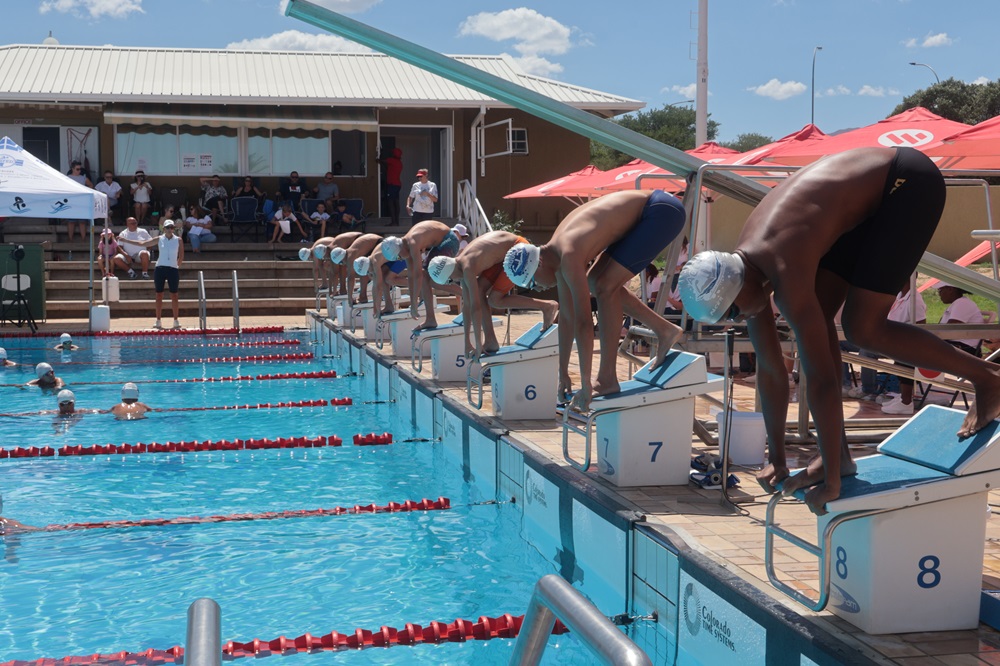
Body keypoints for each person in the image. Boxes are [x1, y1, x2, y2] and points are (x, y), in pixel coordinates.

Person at [677, 146, 1000, 516]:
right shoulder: (745, 275)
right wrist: (776, 458)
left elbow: (822, 380)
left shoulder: (783, 265)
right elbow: (769, 370)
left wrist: (831, 482)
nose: (736, 318)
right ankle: (841, 457)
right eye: (727, 316)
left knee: (863, 328)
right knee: (826, 315)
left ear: (737, 287)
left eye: (732, 310)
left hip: (905, 182)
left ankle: (988, 377)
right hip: (861, 203)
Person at [502, 189, 687, 412]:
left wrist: (586, 383)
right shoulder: (557, 256)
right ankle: (664, 330)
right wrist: (562, 374)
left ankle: (607, 379)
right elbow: (567, 319)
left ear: (538, 265)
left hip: (661, 211)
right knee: (597, 283)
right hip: (649, 212)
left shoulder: (568, 254)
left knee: (605, 286)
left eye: (532, 283)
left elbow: (583, 322)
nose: (538, 289)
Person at [429, 230, 559, 360]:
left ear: (450, 274)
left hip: (517, 250)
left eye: (450, 280)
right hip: (502, 255)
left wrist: (478, 344)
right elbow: (467, 306)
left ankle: (546, 306)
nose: (453, 282)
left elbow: (476, 308)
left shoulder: (467, 268)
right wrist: (467, 342)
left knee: (495, 300)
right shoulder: (460, 265)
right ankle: (491, 340)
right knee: (480, 291)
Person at [382, 220, 462, 330]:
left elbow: (418, 275)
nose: (400, 260)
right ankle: (431, 319)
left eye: (398, 257)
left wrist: (414, 304)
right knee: (427, 278)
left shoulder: (413, 243)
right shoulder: (405, 248)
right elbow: (411, 276)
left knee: (432, 279)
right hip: (440, 243)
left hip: (449, 240)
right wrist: (412, 302)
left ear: (400, 249)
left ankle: (468, 294)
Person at [876, 281, 928, 415]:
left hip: (907, 342)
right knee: (899, 363)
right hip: (894, 339)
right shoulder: (900, 296)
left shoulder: (914, 300)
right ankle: (903, 397)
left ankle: (906, 401)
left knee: (903, 362)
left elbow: (921, 324)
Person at [130, 219, 184, 329]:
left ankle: (176, 320)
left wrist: (177, 265)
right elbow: (143, 243)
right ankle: (158, 320)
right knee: (159, 295)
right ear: (164, 229)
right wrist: (125, 240)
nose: (170, 230)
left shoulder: (178, 240)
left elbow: (181, 255)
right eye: (168, 228)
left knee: (174, 295)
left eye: (172, 227)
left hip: (172, 269)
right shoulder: (160, 239)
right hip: (160, 268)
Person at [359, 241, 409, 315]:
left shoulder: (375, 263)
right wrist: (375, 308)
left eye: (367, 272)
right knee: (383, 276)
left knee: (389, 279)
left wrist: (377, 309)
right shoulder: (372, 260)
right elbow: (375, 286)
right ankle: (389, 306)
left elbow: (378, 288)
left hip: (403, 254)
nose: (369, 274)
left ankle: (418, 284)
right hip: (393, 255)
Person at [337, 233, 382, 305]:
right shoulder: (350, 252)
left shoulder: (350, 256)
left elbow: (351, 278)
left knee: (374, 273)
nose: (343, 265)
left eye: (341, 263)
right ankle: (363, 296)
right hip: (374, 243)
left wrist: (349, 298)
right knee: (363, 269)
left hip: (378, 244)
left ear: (342, 258)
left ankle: (367, 296)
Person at [65, 161, 93, 242]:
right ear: (72, 169)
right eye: (77, 169)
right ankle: (70, 240)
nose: (79, 171)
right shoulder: (67, 178)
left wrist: (86, 191)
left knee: (82, 222)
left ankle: (83, 240)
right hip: (72, 201)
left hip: (82, 201)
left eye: (80, 169)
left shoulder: (83, 177)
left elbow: (91, 185)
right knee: (71, 222)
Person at [378, 147, 403, 226]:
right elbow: (388, 168)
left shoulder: (392, 160)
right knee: (396, 202)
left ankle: (393, 222)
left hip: (392, 184)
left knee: (390, 202)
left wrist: (379, 155)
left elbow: (380, 160)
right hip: (397, 184)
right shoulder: (399, 163)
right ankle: (397, 221)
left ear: (394, 154)